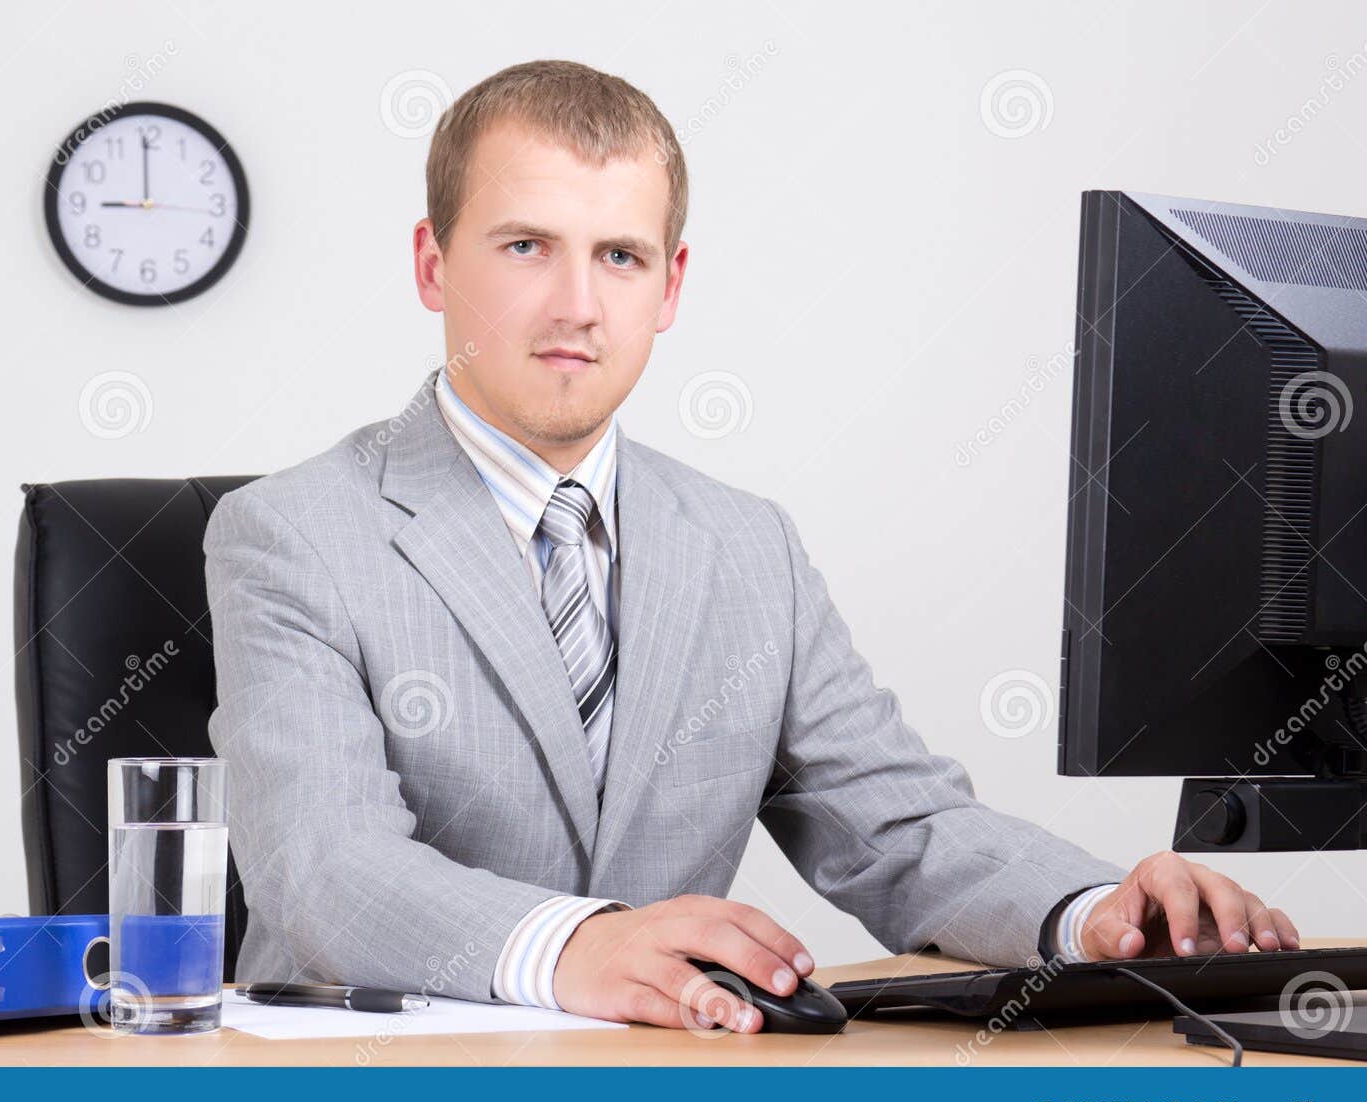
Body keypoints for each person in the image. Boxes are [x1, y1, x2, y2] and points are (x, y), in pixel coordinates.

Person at [204, 59, 1297, 1034]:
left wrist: (1091, 913)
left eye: (621, 256)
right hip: (372, 1095)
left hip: (675, 1089)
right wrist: (578, 943)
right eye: (527, 245)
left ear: (669, 285)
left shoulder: (744, 545)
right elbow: (326, 869)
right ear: (433, 264)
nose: (577, 304)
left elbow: (898, 826)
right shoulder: (292, 532)